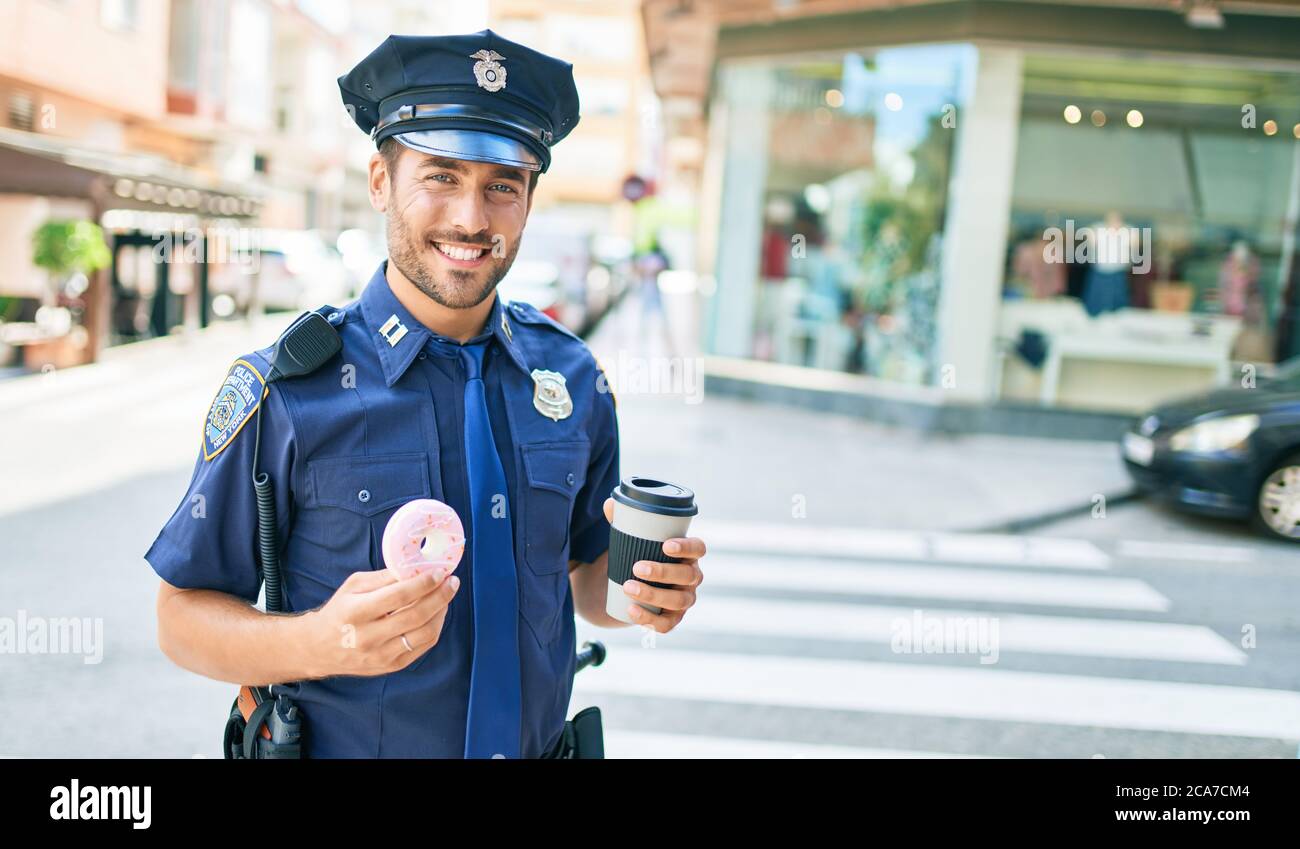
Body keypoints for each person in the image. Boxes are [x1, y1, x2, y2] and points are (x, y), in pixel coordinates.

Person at [144, 30, 708, 759]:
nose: (472, 218)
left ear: (529, 200)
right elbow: (180, 618)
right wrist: (321, 639)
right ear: (381, 182)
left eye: (502, 184)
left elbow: (585, 579)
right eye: (440, 176)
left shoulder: (571, 378)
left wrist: (648, 593)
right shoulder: (286, 390)